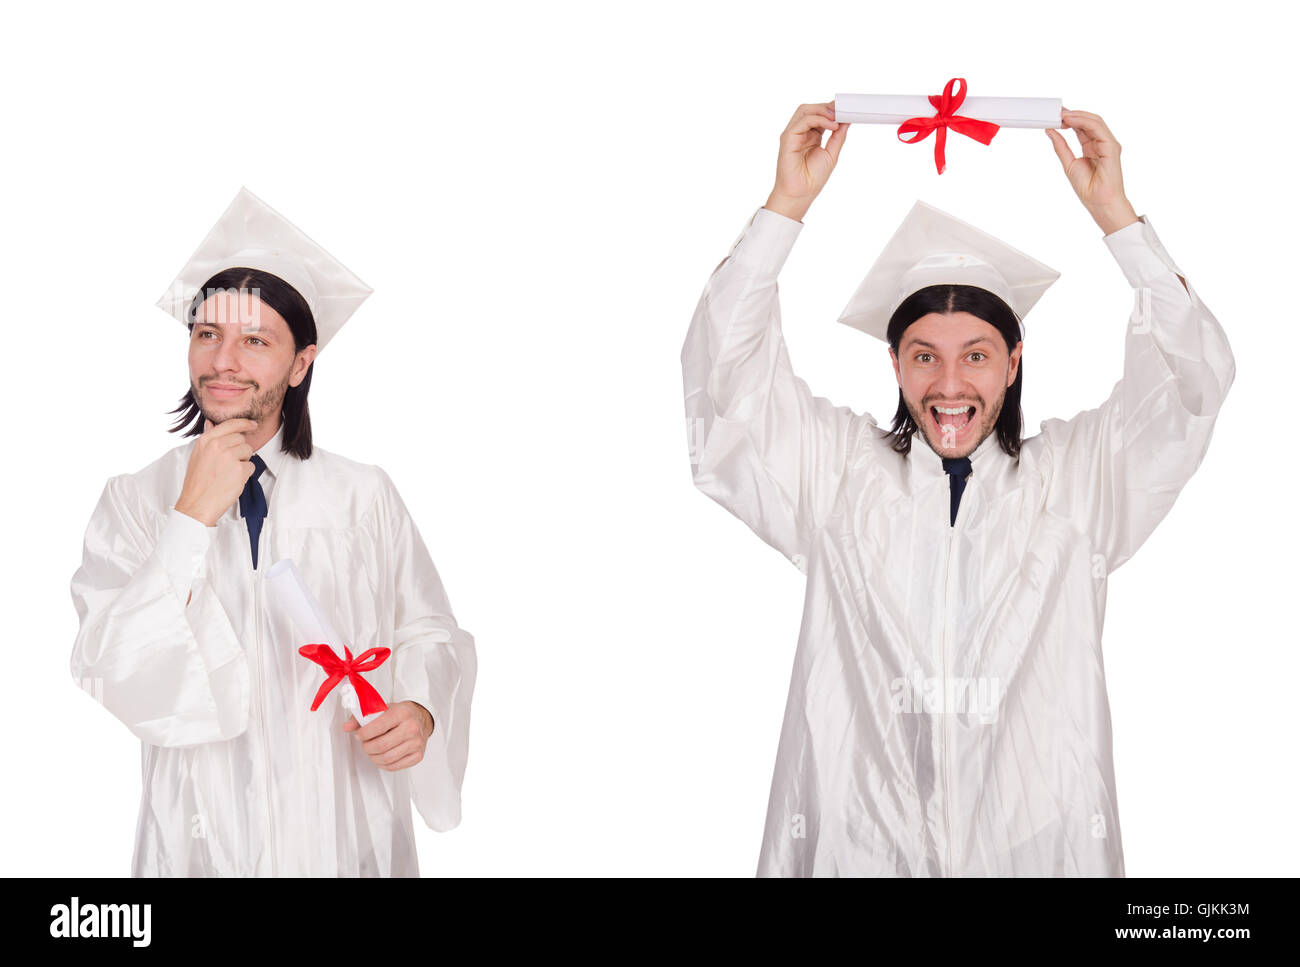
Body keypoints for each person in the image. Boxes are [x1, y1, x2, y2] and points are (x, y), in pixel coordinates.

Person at [681, 103, 1234, 876]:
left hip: (1036, 850)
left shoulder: (1076, 485)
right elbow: (726, 382)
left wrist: (1118, 218)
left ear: (1012, 360)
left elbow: (1193, 384)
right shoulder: (837, 477)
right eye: (923, 355)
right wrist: (786, 207)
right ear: (895, 364)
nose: (949, 384)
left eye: (975, 355)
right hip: (862, 847)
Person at [70, 188, 476, 876]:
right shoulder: (137, 501)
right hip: (200, 838)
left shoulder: (361, 495)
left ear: (300, 363)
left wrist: (421, 708)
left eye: (255, 340)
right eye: (208, 335)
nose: (224, 360)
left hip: (343, 831)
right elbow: (115, 668)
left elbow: (431, 631)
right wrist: (189, 518)